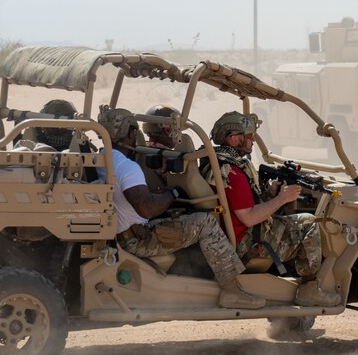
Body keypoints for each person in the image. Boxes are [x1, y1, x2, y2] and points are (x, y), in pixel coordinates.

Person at [96, 106, 265, 310]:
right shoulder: (127, 167)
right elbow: (147, 208)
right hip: (136, 237)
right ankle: (231, 289)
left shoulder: (101, 158)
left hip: (121, 232)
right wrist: (172, 194)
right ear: (131, 133)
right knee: (205, 222)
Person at [207, 111, 342, 308]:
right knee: (308, 223)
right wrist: (282, 199)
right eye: (250, 136)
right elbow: (249, 218)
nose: (252, 141)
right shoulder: (233, 172)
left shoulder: (216, 163)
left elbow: (244, 205)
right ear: (235, 138)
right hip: (246, 243)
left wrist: (270, 194)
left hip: (229, 237)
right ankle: (309, 289)